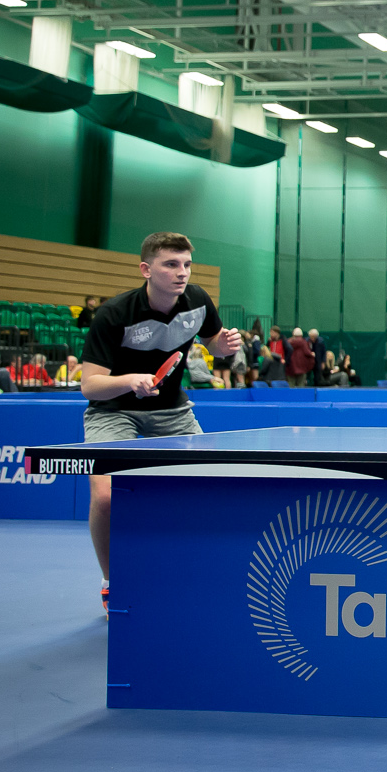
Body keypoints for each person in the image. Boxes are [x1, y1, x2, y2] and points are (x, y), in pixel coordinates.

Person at [79, 231, 243, 616]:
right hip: (112, 410)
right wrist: (129, 381)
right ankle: (112, 579)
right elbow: (90, 385)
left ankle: (199, 569)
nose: (182, 272)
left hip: (171, 411)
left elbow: (214, 341)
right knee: (105, 498)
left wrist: (224, 346)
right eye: (171, 264)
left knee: (214, 484)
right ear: (146, 269)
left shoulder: (198, 300)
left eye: (187, 264)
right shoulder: (114, 314)